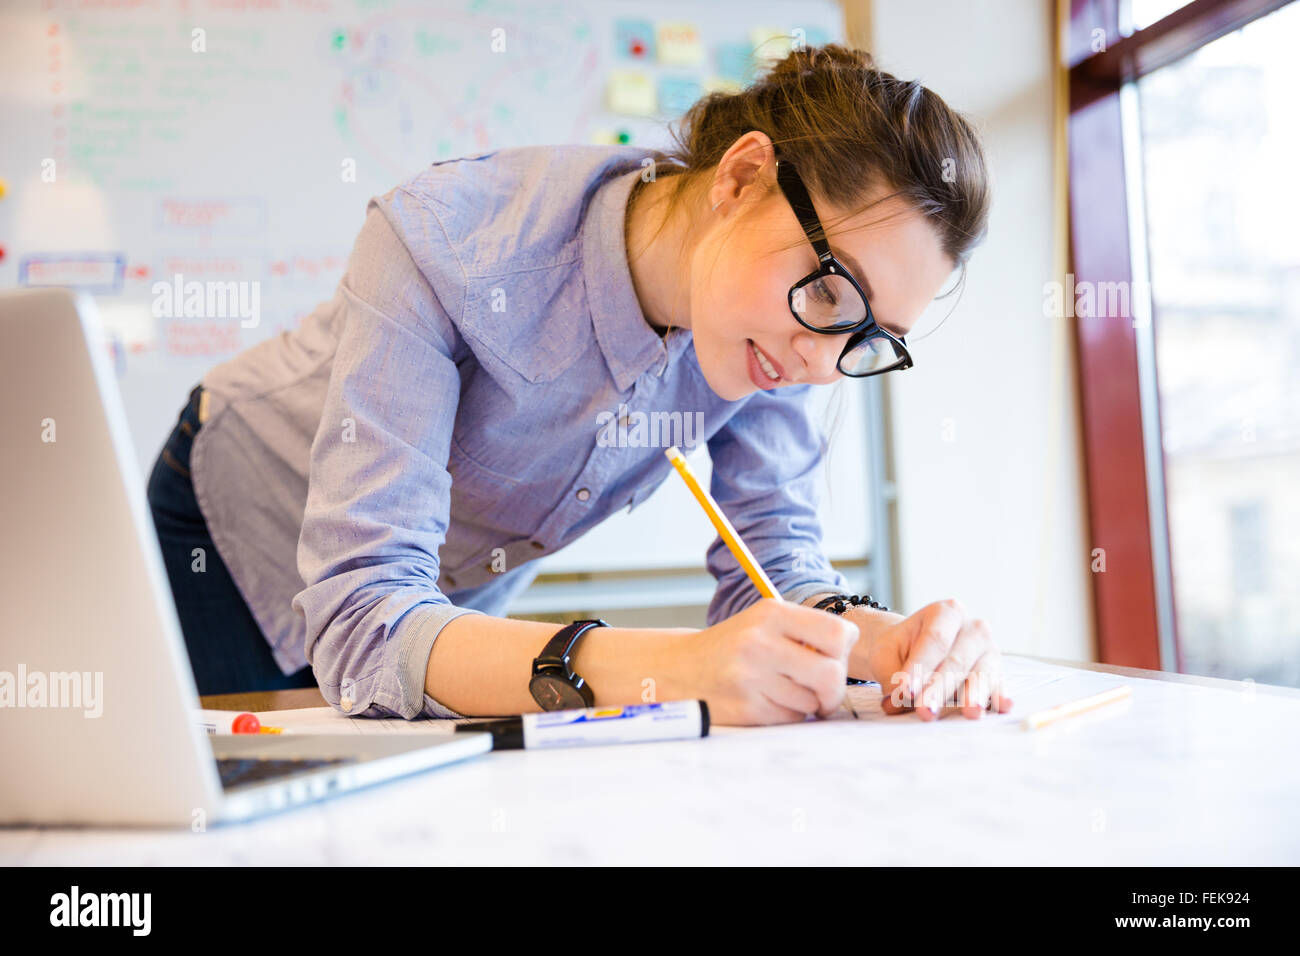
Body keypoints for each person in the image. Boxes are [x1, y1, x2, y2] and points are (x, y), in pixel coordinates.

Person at [147, 43, 1011, 726]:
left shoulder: (781, 333)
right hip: (234, 520)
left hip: (435, 595)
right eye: (830, 291)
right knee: (236, 805)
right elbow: (365, 618)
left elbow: (774, 573)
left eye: (869, 337)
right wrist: (677, 670)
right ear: (743, 177)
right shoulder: (449, 239)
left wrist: (887, 642)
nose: (825, 362)